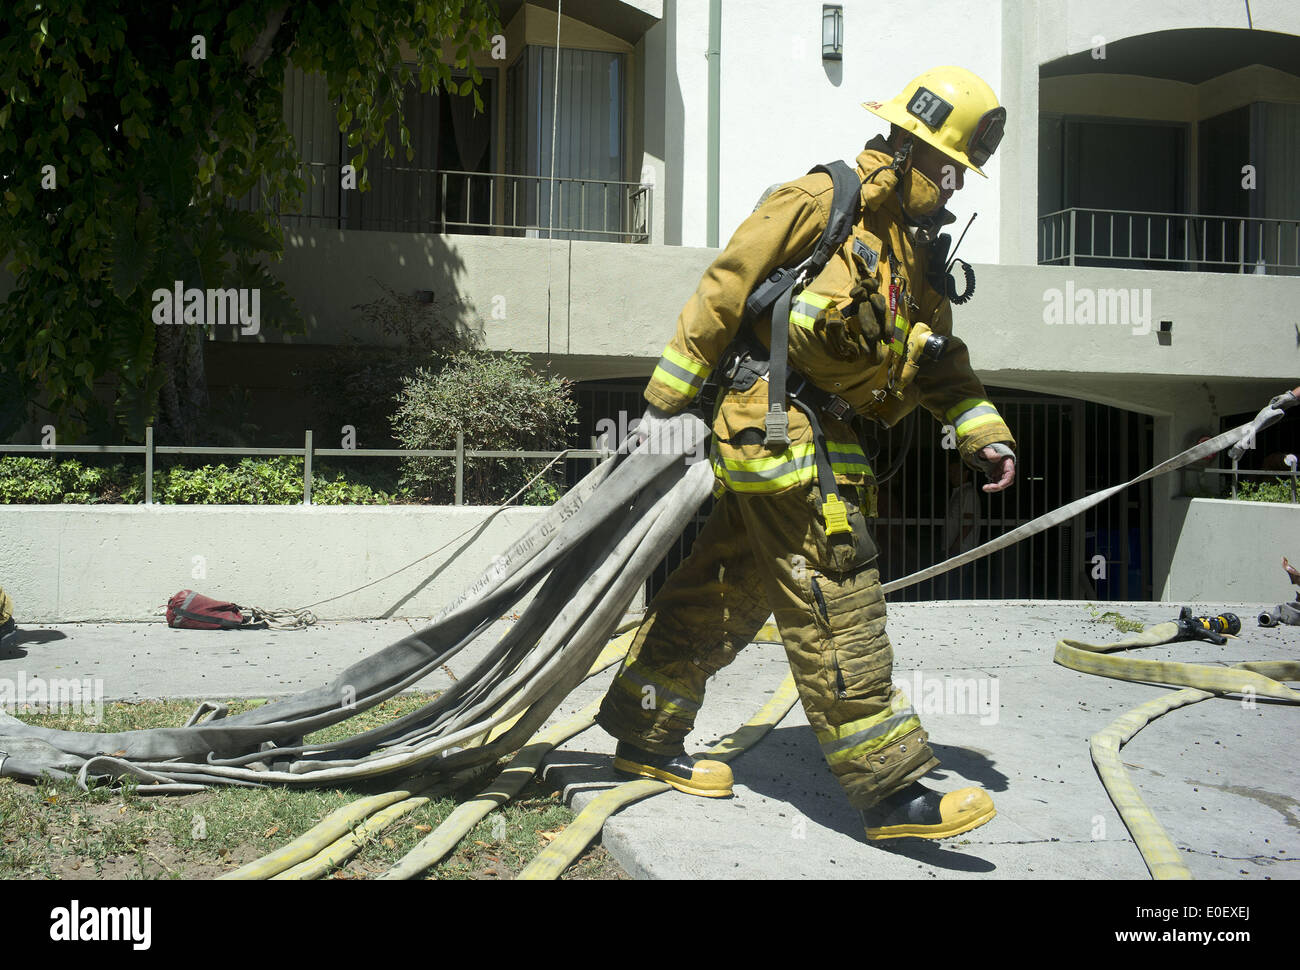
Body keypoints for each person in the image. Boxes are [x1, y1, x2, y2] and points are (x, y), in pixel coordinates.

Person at [597, 66, 1017, 841]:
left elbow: (938, 361)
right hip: (777, 437)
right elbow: (725, 288)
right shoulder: (822, 201)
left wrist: (984, 434)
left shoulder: (914, 257)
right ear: (910, 148)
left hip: (828, 445)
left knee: (724, 591)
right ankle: (893, 791)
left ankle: (644, 733)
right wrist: (662, 406)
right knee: (836, 594)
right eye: (950, 166)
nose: (957, 185)